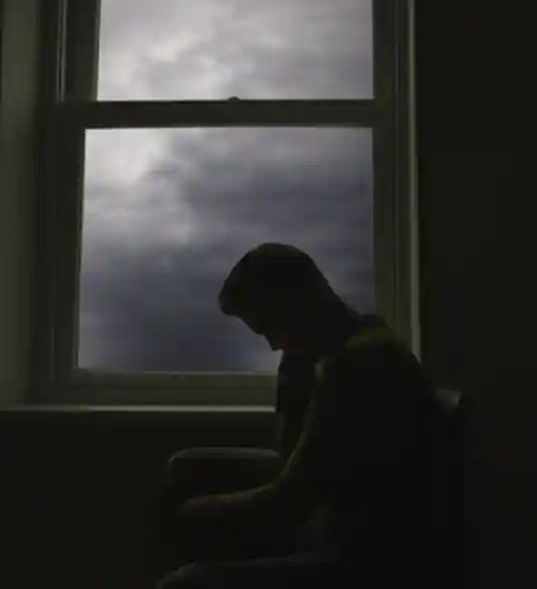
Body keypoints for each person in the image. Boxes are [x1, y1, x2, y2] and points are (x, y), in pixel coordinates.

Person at [157, 243, 440, 588]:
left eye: (270, 330)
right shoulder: (342, 349)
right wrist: (296, 377)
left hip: (369, 561)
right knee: (185, 470)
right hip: (334, 520)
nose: (274, 346)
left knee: (186, 581)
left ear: (295, 305)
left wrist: (197, 513)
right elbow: (294, 453)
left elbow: (290, 501)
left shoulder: (359, 366)